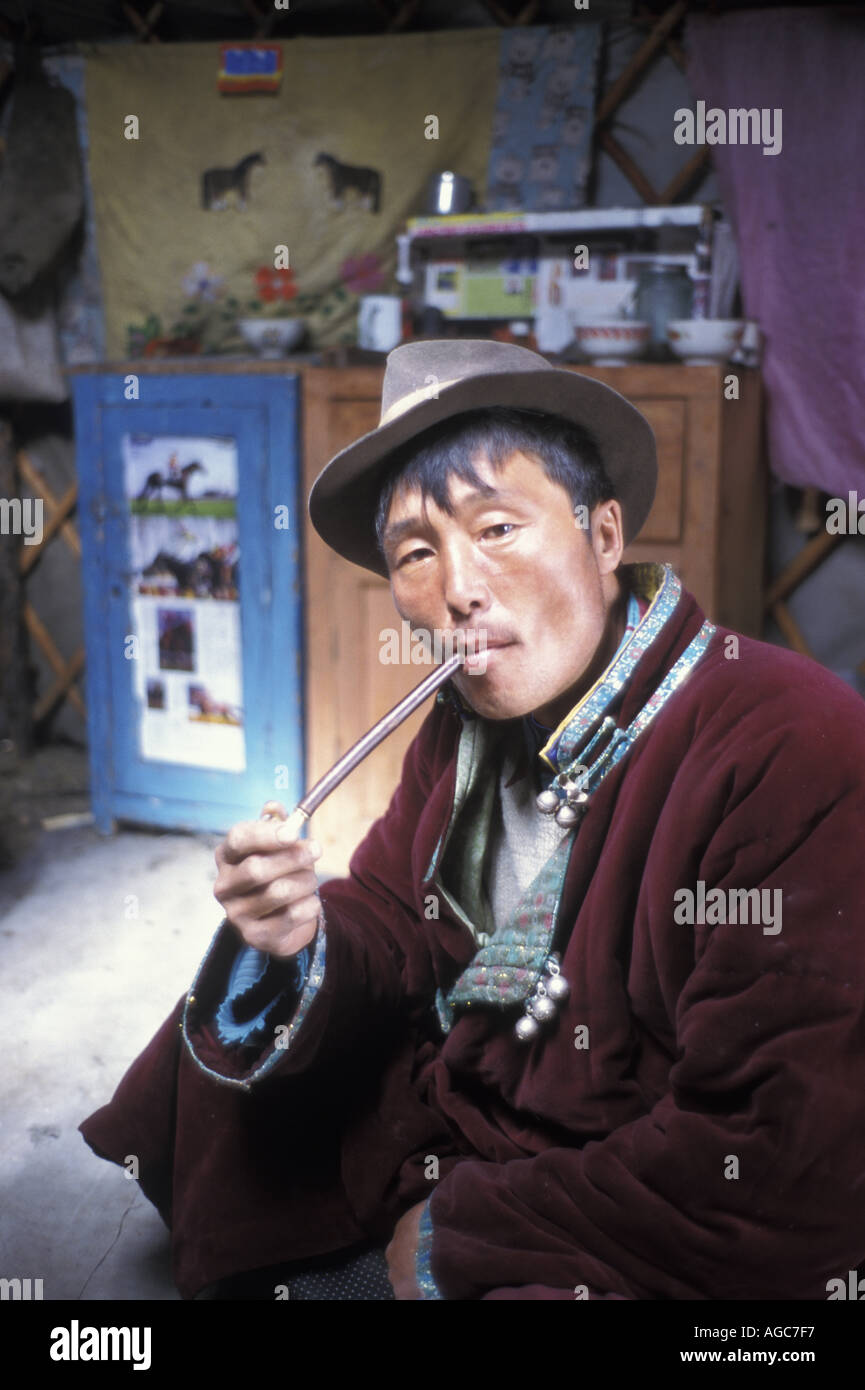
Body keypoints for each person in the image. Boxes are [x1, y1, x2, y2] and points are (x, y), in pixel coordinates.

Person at [81, 339, 865, 1301]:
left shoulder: (794, 745)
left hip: (637, 1157)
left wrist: (459, 1233)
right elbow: (388, 911)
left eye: (496, 528)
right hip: (478, 1096)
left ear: (605, 535)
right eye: (416, 553)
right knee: (236, 1018)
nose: (457, 590)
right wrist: (303, 934)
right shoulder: (464, 728)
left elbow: (776, 1151)